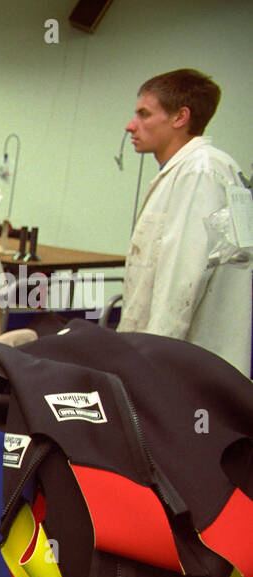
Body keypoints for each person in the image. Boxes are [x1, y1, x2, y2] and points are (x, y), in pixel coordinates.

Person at [119, 69, 251, 376]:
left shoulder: (200, 172)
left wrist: (149, 367)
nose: (130, 125)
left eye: (144, 114)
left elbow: (182, 280)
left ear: (180, 117)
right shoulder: (187, 171)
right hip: (173, 359)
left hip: (183, 367)